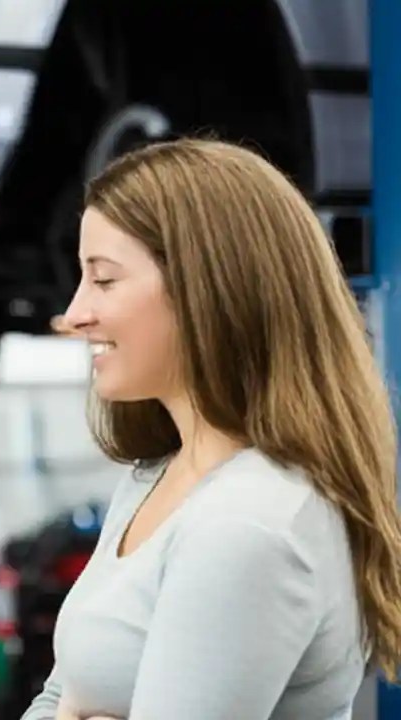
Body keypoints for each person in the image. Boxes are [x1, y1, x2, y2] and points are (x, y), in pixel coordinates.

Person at [22, 138, 401, 719]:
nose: (74, 314)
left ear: (204, 290)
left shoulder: (249, 527)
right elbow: (58, 695)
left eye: (103, 280)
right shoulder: (158, 477)